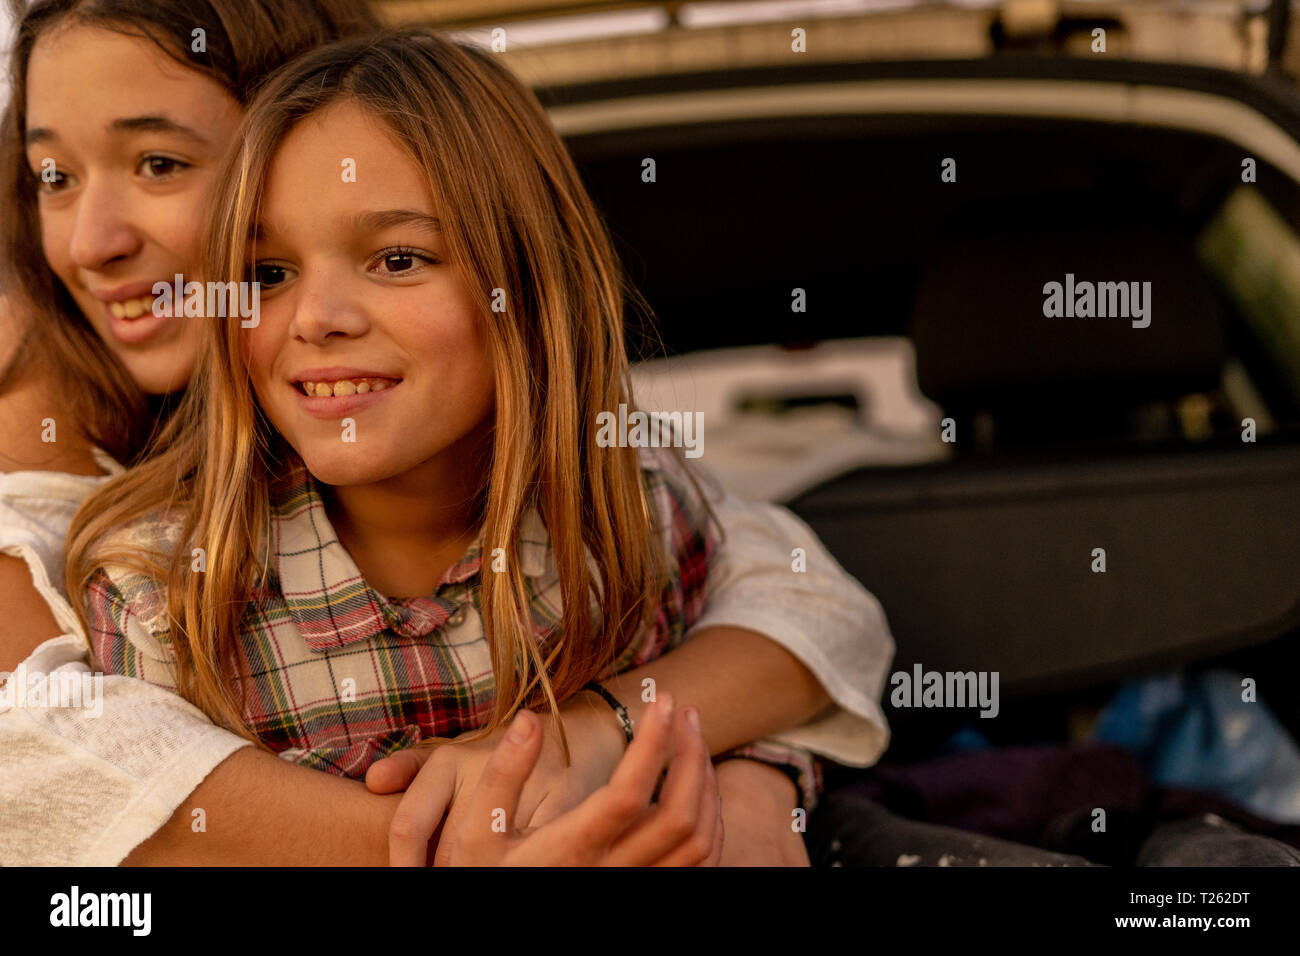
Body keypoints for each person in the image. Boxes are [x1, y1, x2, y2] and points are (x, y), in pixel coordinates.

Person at [0, 1, 893, 866]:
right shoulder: (116, 541)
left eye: (159, 162)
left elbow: (797, 602)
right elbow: (46, 765)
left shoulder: (619, 503)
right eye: (54, 177)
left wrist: (731, 779)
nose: (90, 242)